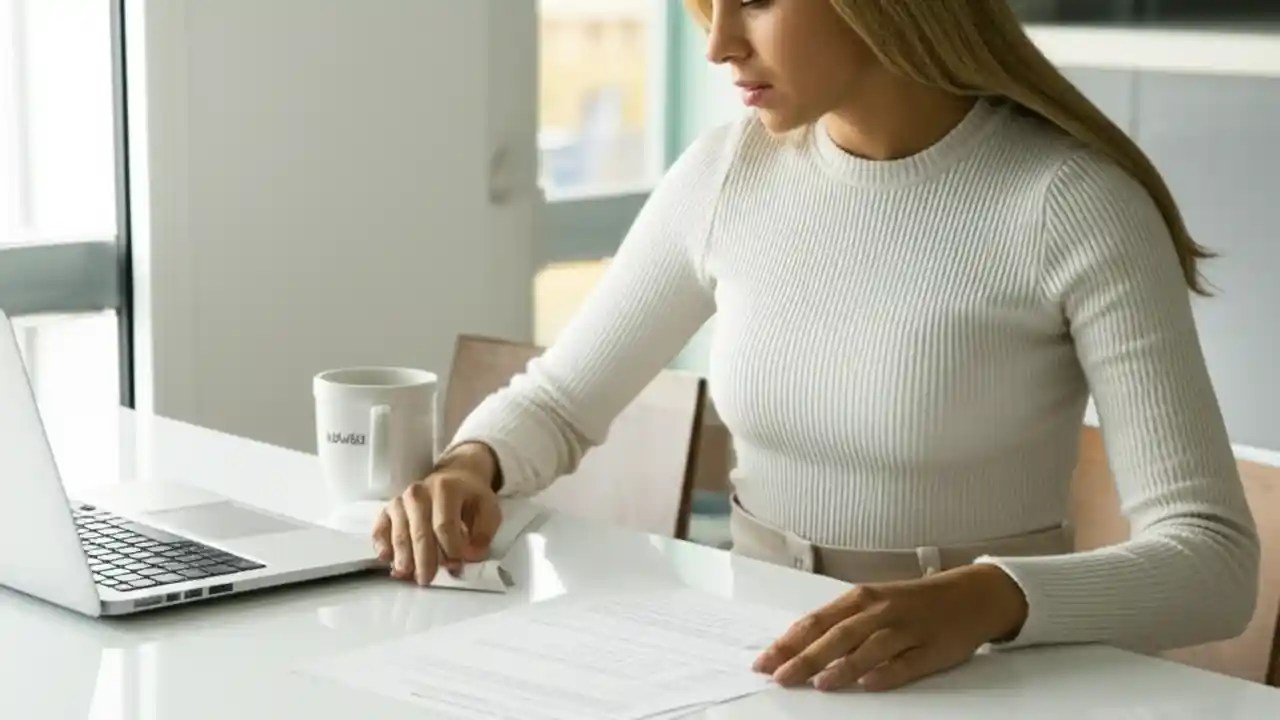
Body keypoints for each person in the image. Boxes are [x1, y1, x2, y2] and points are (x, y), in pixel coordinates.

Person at [372, 0, 1260, 693]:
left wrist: (986, 599)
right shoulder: (726, 173)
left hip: (994, 683)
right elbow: (561, 401)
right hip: (751, 668)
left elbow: (1212, 562)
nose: (719, 44)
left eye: (756, 1)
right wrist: (472, 465)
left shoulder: (1073, 203)